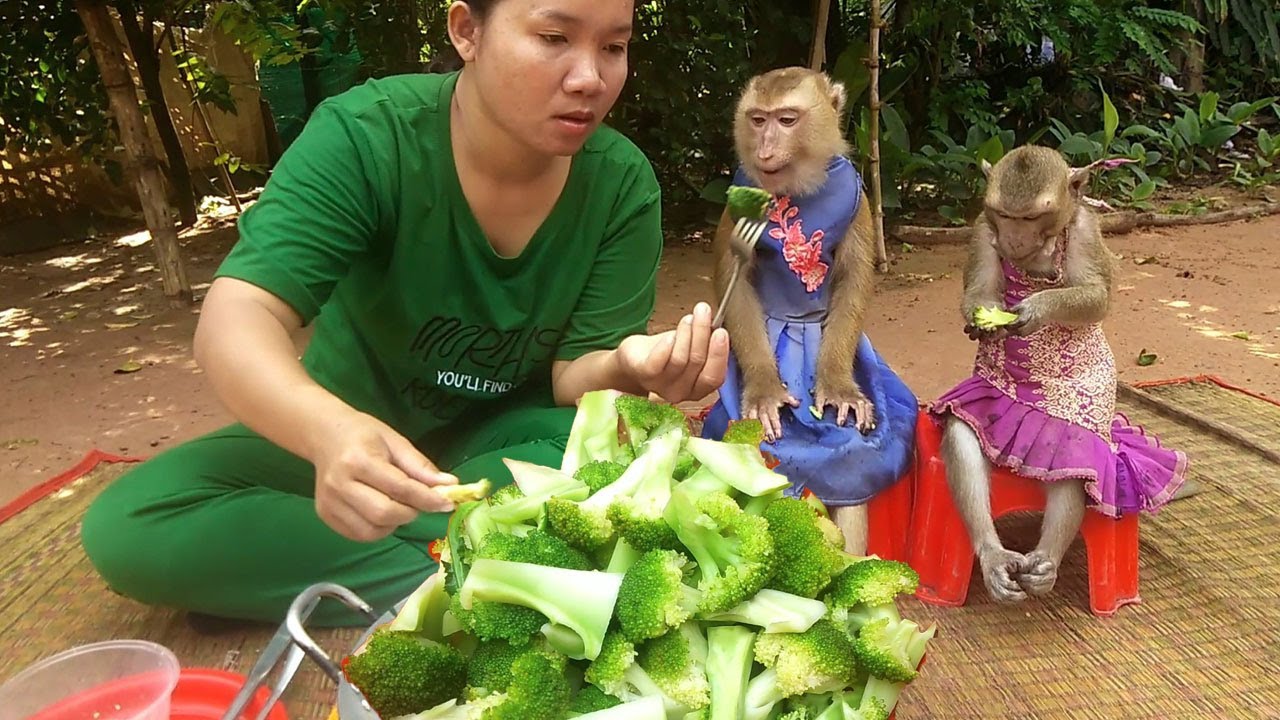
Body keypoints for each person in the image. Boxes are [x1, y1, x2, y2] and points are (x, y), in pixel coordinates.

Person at [80, 0, 729, 628]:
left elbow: (570, 378)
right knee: (132, 525)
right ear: (466, 31)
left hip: (508, 443)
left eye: (613, 47)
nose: (590, 76)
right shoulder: (367, 137)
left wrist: (626, 362)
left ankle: (317, 574)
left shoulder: (621, 185)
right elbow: (236, 315)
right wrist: (328, 432)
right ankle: (510, 572)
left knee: (616, 451)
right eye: (554, 38)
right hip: (347, 430)